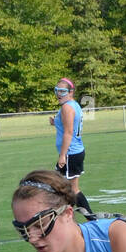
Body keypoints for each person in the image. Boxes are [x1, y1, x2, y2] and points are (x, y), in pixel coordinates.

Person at [49, 79, 91, 211]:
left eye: (62, 91)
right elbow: (69, 125)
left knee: (70, 189)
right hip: (74, 152)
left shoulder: (67, 107)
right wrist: (55, 122)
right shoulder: (73, 105)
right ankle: (66, 216)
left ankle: (91, 218)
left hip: (70, 153)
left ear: (71, 92)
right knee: (63, 188)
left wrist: (62, 156)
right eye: (56, 90)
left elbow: (68, 132)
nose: (58, 94)